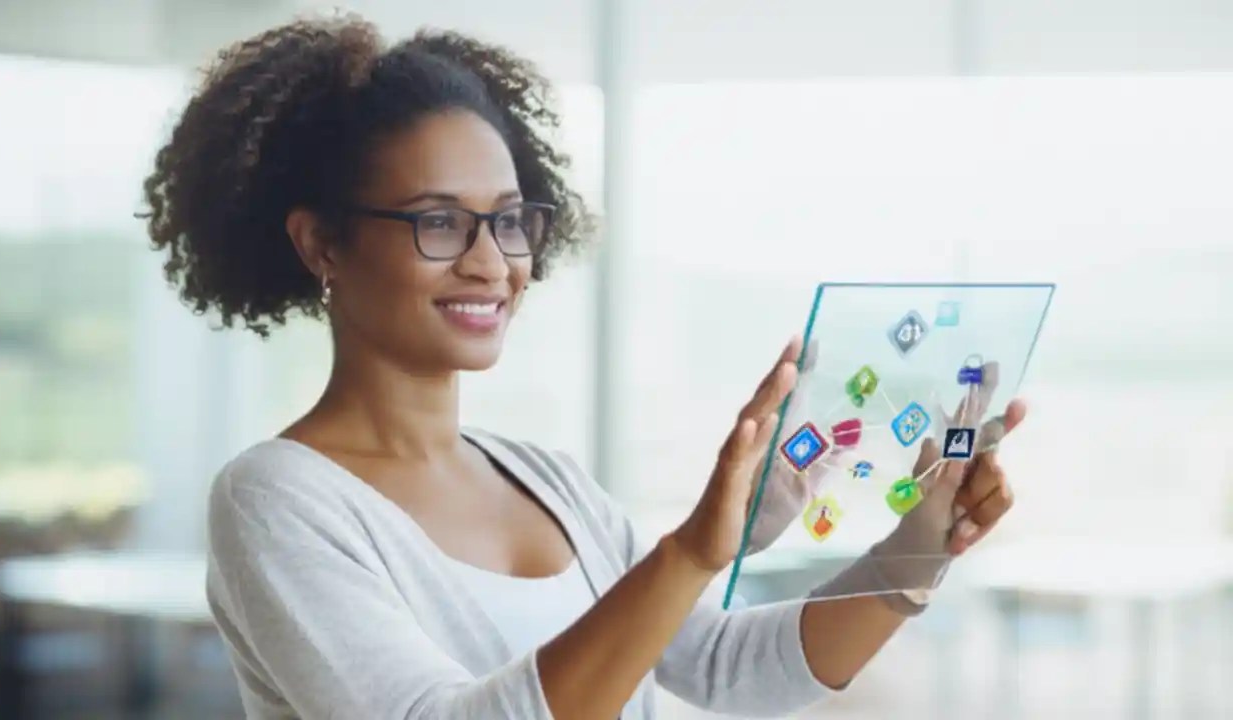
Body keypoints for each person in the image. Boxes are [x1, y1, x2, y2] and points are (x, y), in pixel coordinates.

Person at [142, 14, 1023, 720]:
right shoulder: (277, 498)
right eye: (439, 221)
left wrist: (917, 546)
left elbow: (730, 672)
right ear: (320, 241)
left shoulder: (547, 482)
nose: (493, 262)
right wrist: (688, 554)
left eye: (511, 218)